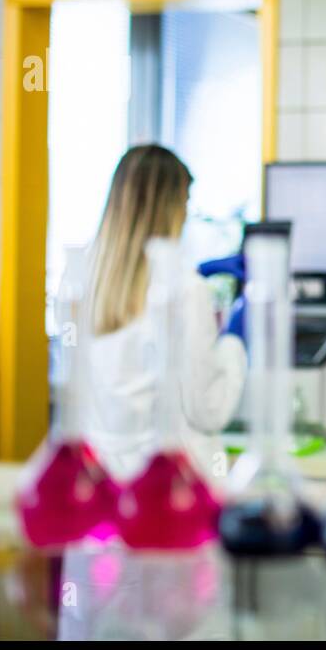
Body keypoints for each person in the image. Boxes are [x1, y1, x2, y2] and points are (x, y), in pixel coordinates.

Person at [84, 144, 247, 481]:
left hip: (106, 485)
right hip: (170, 491)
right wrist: (236, 337)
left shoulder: (87, 278)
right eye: (184, 203)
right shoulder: (186, 290)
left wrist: (198, 273)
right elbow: (208, 409)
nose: (187, 215)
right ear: (168, 208)